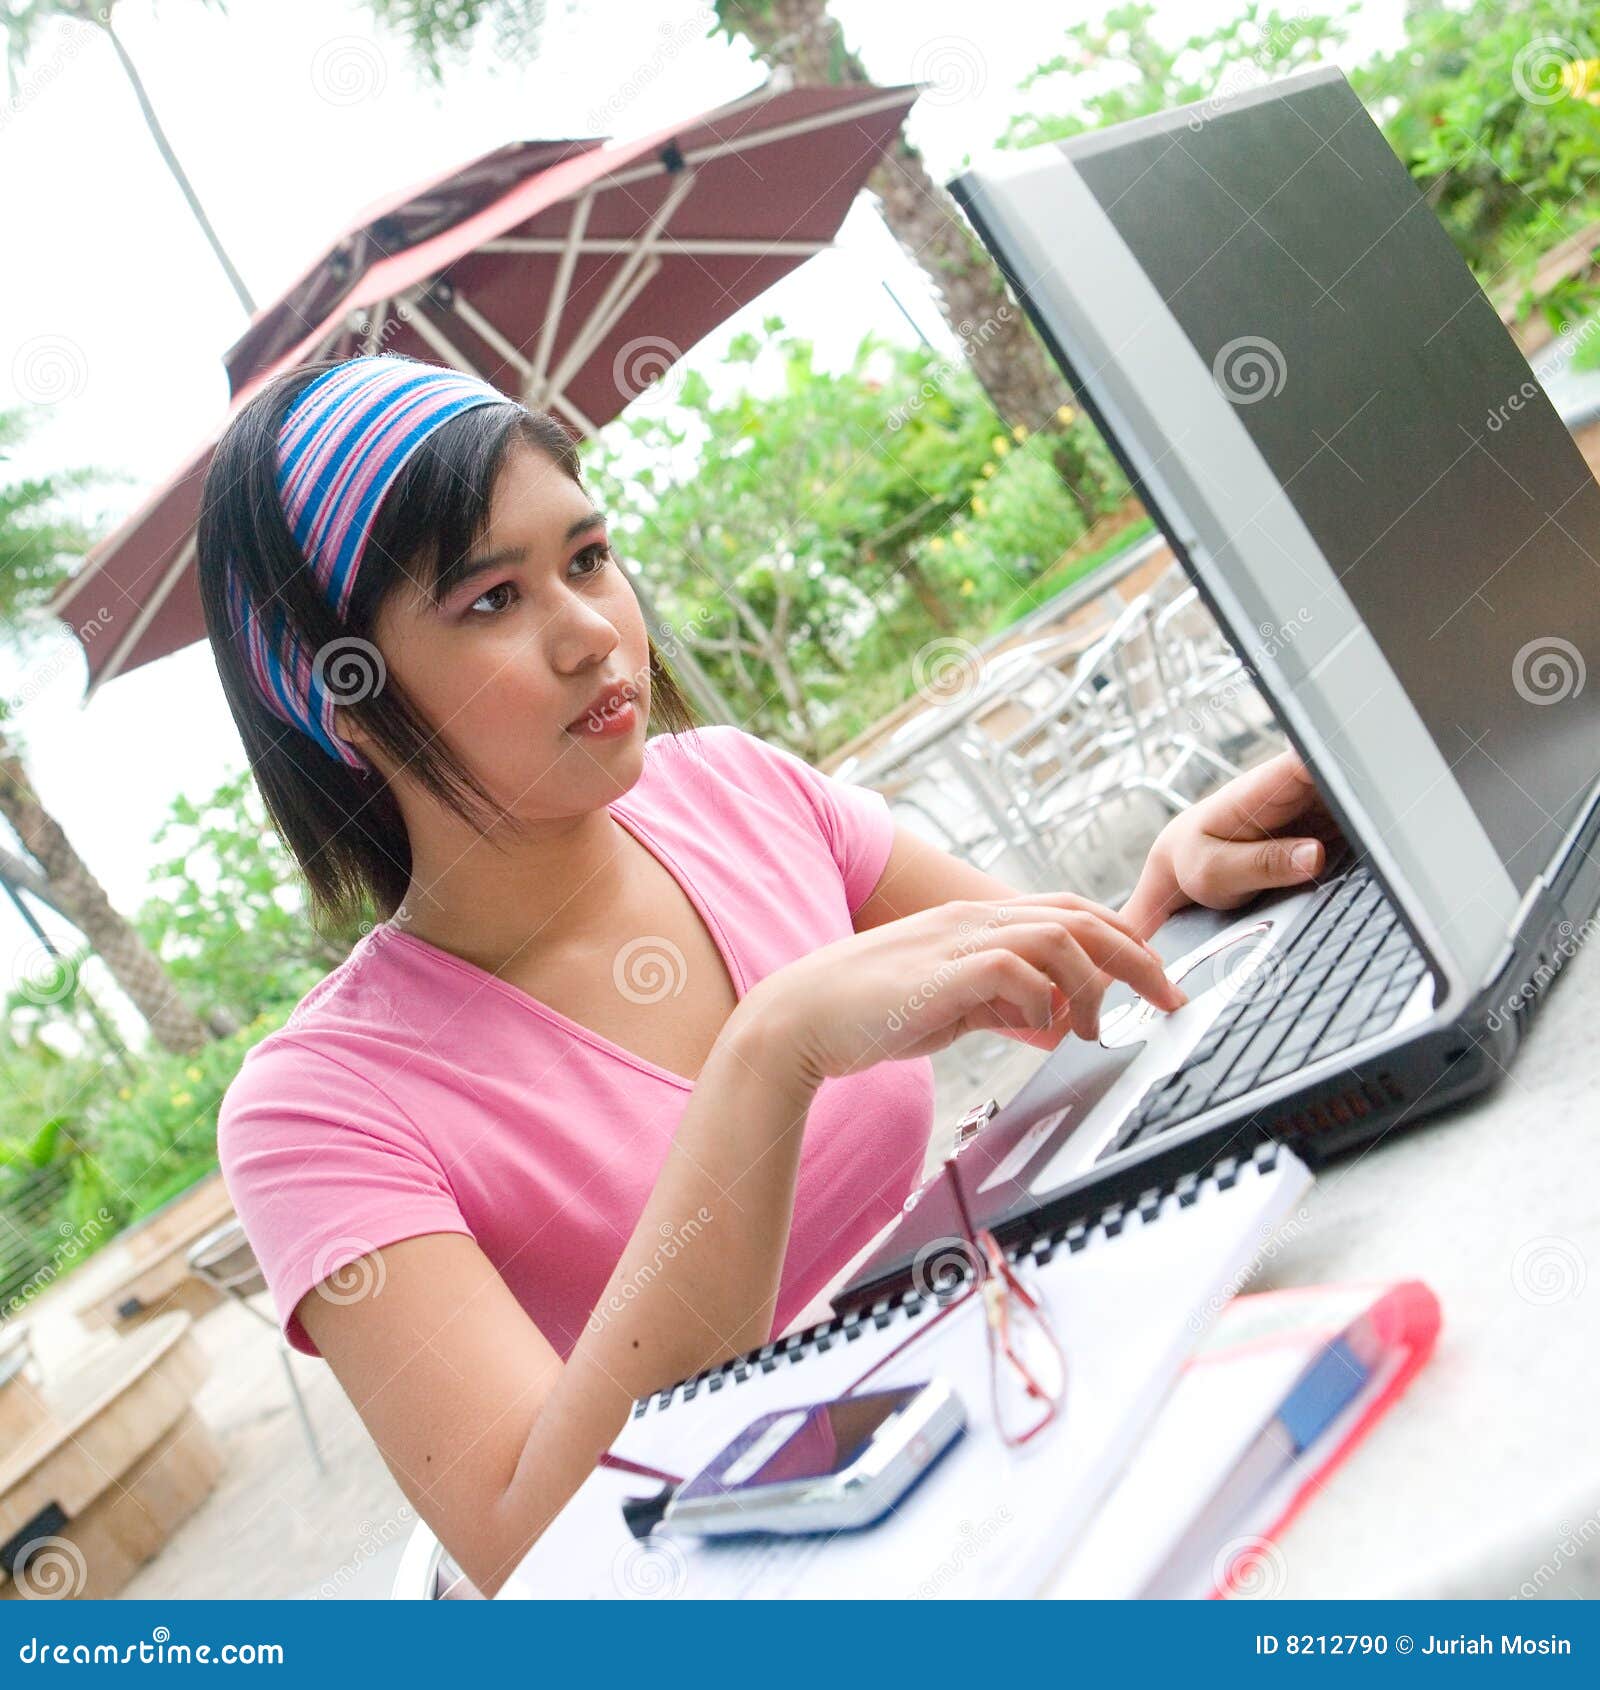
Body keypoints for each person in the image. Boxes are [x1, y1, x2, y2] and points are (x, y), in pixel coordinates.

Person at [199, 353, 1337, 1595]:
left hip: (1017, 1433)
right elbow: (535, 1544)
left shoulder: (736, 789)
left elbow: (1084, 1002)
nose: (592, 634)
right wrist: (766, 1057)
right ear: (345, 706)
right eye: (489, 600)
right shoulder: (317, 1108)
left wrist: (1169, 885)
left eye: (587, 559)